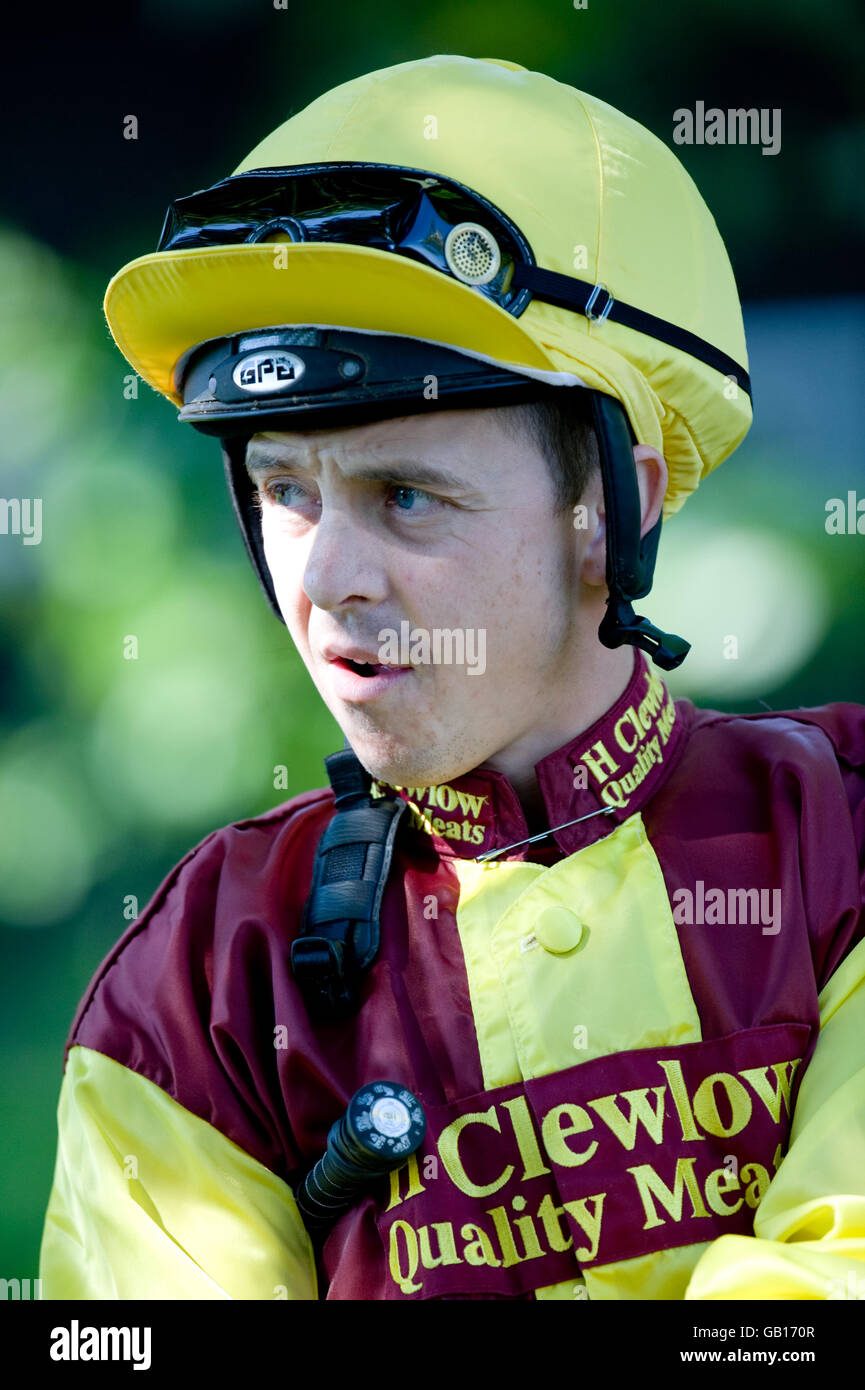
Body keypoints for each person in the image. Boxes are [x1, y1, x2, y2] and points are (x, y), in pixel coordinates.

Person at [39, 53, 865, 1302]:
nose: (327, 577)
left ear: (611, 506)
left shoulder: (844, 829)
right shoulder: (199, 983)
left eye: (406, 495)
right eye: (284, 492)